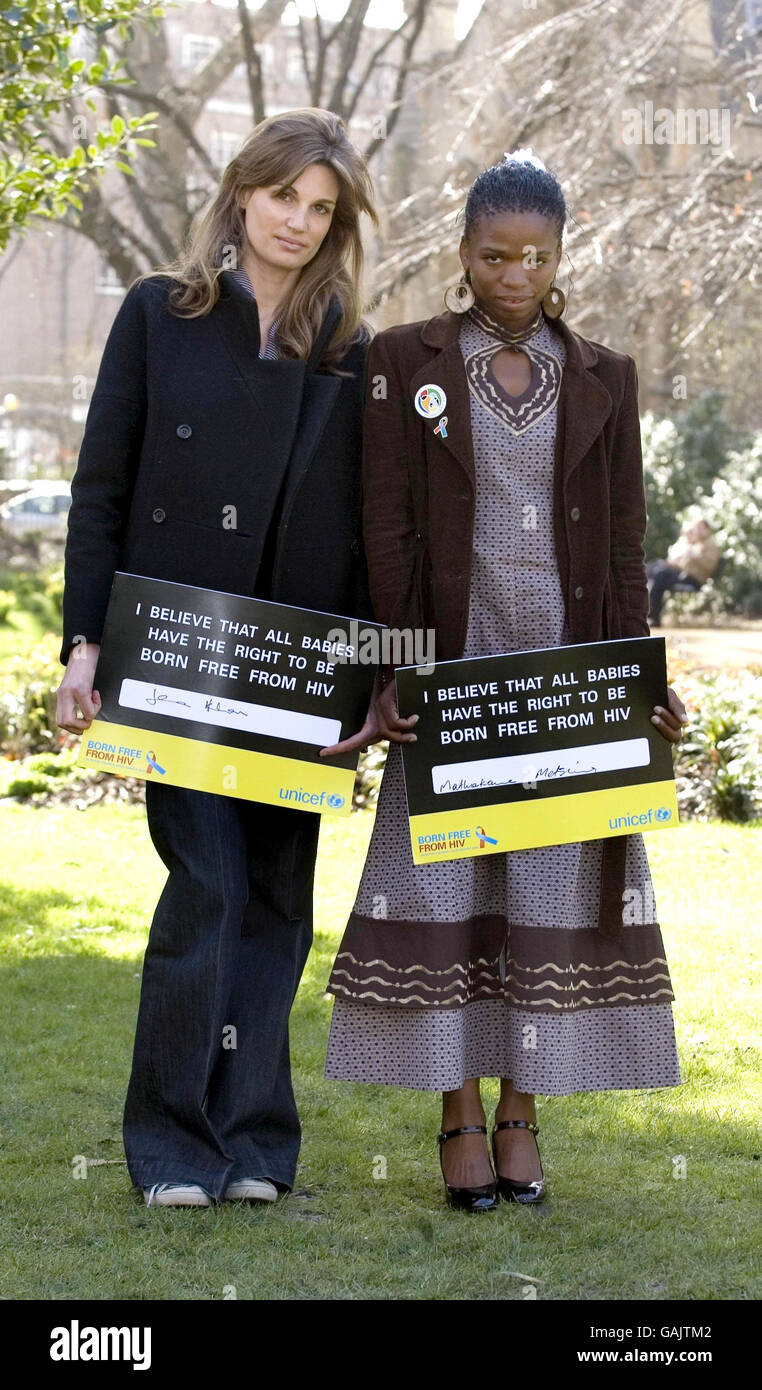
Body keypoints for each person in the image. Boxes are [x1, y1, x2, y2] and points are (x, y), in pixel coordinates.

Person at [323, 150, 688, 1213]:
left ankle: (522, 1110)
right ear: (464, 251)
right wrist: (399, 669)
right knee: (446, 884)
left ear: (560, 254)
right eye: (494, 256)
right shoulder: (403, 361)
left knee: (547, 888)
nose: (515, 275)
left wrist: (639, 672)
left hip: (566, 681)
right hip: (454, 669)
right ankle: (455, 1113)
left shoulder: (606, 374)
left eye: (535, 256)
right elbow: (385, 527)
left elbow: (624, 538)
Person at [56, 108, 380, 1209]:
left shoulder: (350, 344)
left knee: (279, 900)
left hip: (302, 667)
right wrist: (83, 644)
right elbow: (101, 487)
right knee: (207, 887)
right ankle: (171, 1147)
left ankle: (254, 1143)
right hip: (178, 656)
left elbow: (372, 522)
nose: (299, 221)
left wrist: (376, 673)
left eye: (322, 208)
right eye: (285, 195)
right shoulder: (160, 312)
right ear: (244, 191)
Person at [647, 518, 721, 624]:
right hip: (683, 575)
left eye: (701, 528)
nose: (697, 531)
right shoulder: (696, 544)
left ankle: (653, 618)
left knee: (660, 576)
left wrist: (695, 556)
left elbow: (709, 566)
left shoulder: (710, 545)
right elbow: (685, 564)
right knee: (657, 570)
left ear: (707, 530)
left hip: (694, 580)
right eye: (697, 528)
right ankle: (652, 616)